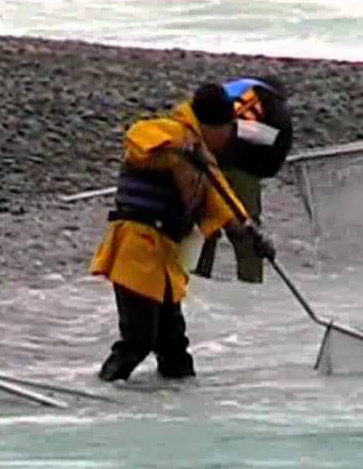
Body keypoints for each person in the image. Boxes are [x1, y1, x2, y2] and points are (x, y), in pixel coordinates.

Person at [91, 83, 276, 383]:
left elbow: (223, 204)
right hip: (135, 251)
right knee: (138, 341)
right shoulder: (172, 133)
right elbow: (137, 137)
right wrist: (179, 149)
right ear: (212, 126)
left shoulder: (203, 158)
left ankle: (180, 400)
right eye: (227, 129)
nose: (229, 137)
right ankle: (100, 393)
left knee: (174, 348)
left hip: (164, 260)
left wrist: (251, 234)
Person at [192, 75, 293, 284]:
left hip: (205, 161)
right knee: (246, 231)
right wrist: (259, 168)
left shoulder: (232, 89)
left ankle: (195, 280)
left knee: (205, 227)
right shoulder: (275, 106)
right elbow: (279, 142)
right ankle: (251, 286)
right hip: (240, 168)